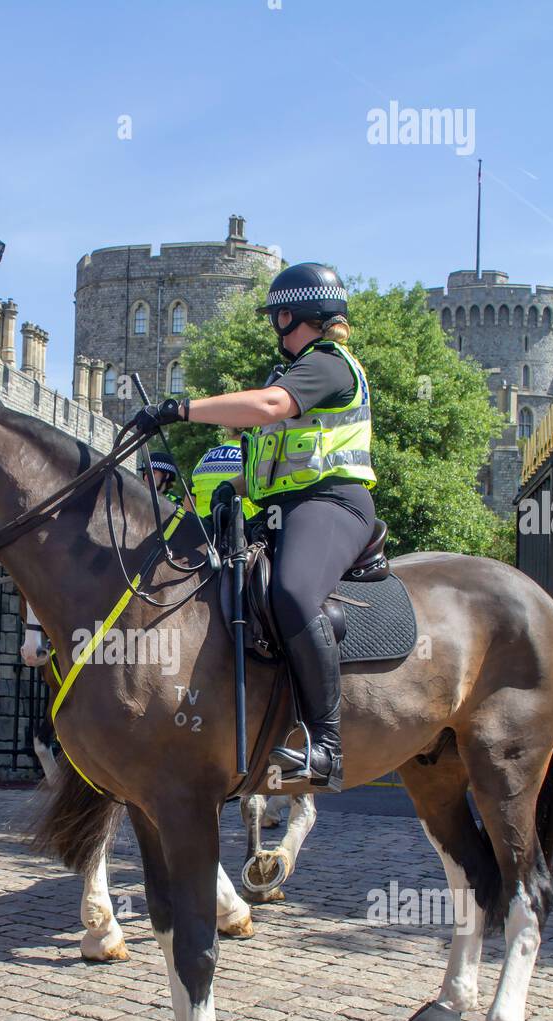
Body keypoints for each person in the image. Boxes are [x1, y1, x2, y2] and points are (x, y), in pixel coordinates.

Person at [129, 263, 377, 790]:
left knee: (290, 591)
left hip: (332, 505)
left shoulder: (327, 365)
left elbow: (267, 408)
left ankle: (327, 747)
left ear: (300, 314)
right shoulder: (289, 374)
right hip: (281, 511)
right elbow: (268, 466)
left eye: (279, 316)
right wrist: (228, 492)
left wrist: (178, 408)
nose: (276, 327)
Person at [190, 439, 260, 522]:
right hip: (245, 529)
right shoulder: (255, 455)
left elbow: (188, 510)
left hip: (204, 530)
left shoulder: (203, 459)